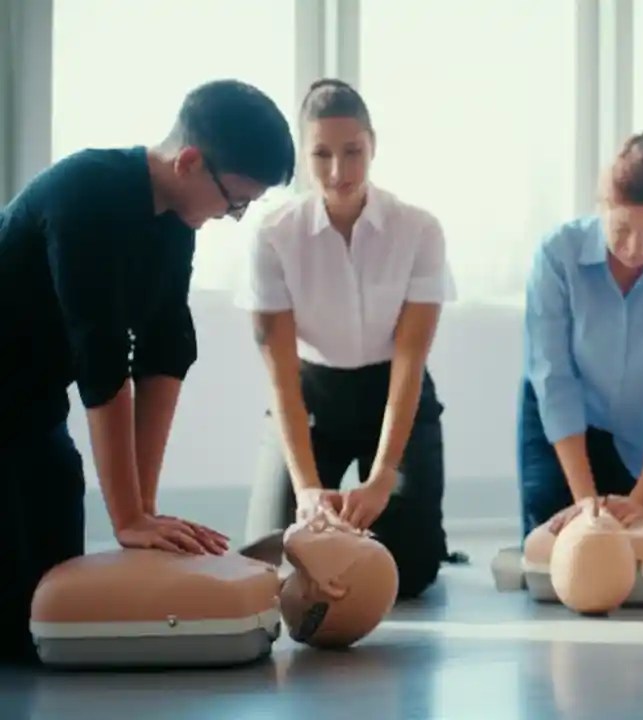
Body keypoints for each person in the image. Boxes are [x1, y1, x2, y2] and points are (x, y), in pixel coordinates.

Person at [0, 79, 295, 663]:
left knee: (48, 591)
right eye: (234, 202)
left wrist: (143, 513)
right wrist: (128, 515)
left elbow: (165, 351)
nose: (233, 217)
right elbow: (101, 359)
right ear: (189, 162)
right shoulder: (87, 195)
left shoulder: (172, 224)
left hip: (31, 404)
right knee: (17, 617)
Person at [239, 79, 455, 600]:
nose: (339, 172)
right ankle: (331, 522)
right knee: (278, 555)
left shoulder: (419, 230)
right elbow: (283, 378)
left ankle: (407, 527)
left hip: (392, 391)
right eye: (322, 154)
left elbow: (409, 361)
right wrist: (309, 489)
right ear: (304, 155)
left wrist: (382, 478)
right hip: (312, 394)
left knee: (413, 570)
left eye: (353, 151)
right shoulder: (273, 235)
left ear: (373, 145)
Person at [517, 131, 643, 600]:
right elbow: (554, 378)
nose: (636, 247)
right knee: (553, 564)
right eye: (623, 228)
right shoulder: (556, 256)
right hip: (569, 422)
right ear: (601, 207)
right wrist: (587, 503)